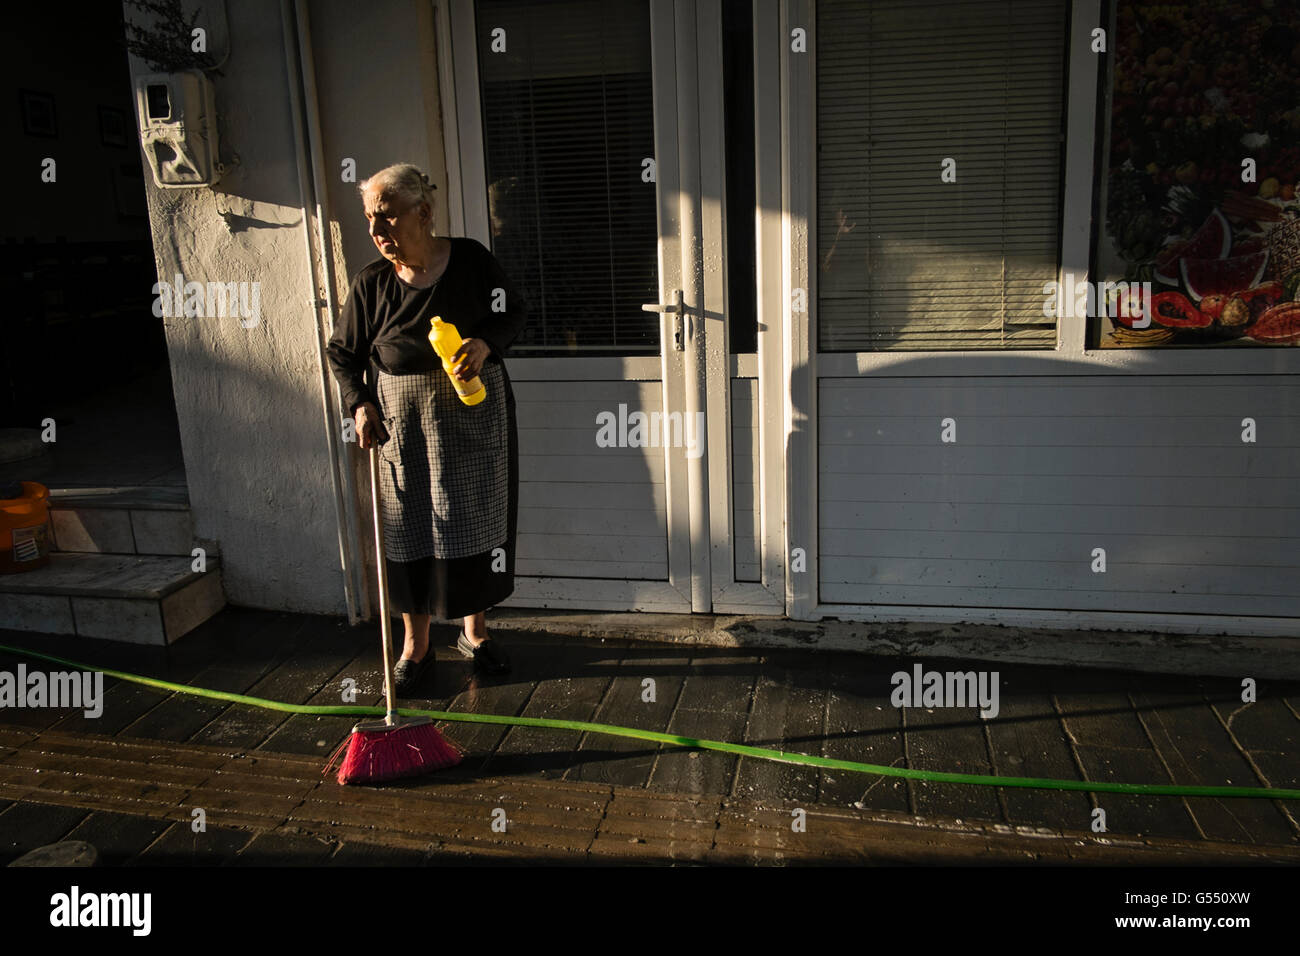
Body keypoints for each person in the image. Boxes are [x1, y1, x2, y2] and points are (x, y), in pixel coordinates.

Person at [327, 163, 526, 691]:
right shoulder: (371, 283)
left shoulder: (472, 262)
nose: (377, 231)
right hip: (404, 423)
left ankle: (475, 633)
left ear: (424, 213)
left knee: (476, 517)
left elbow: (513, 314)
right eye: (371, 218)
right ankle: (416, 646)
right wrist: (360, 403)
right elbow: (343, 354)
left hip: (471, 411)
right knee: (408, 527)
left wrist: (485, 344)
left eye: (388, 217)